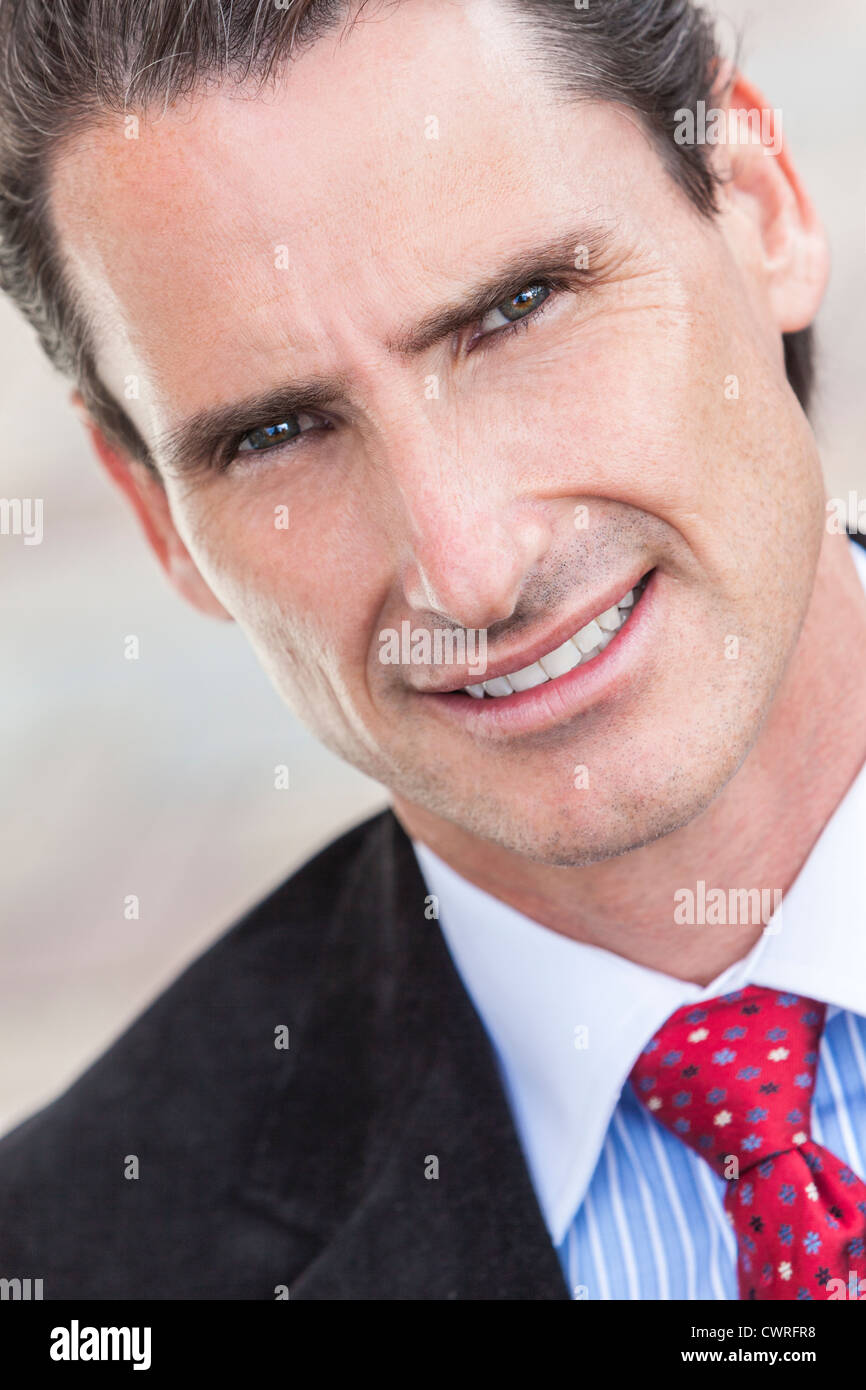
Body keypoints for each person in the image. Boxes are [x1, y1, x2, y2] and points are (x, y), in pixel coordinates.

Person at [1, 0, 864, 1301]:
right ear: (154, 515)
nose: (470, 567)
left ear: (757, 203)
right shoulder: (78, 1268)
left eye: (516, 310)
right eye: (278, 431)